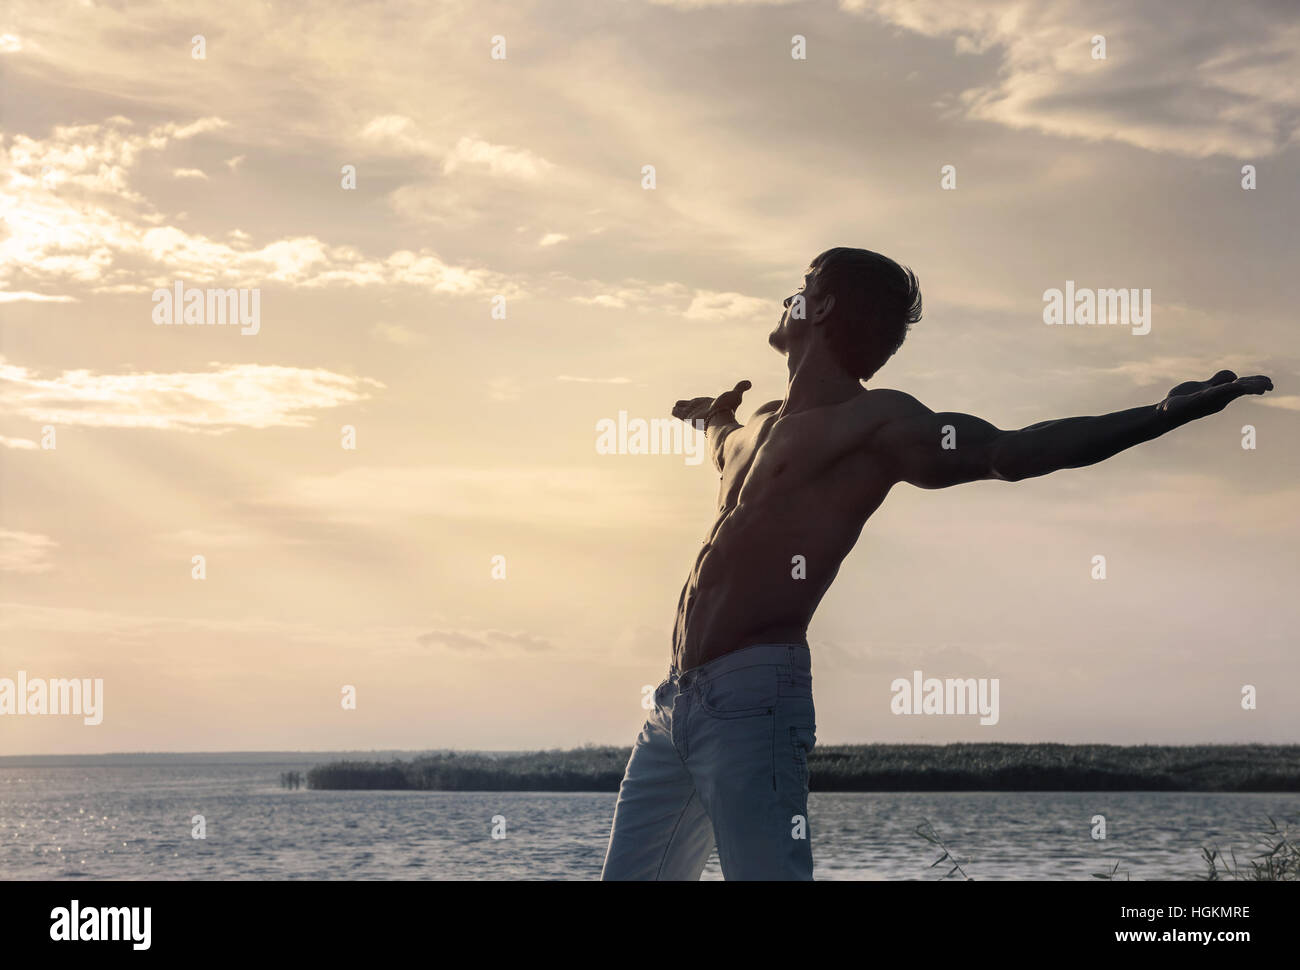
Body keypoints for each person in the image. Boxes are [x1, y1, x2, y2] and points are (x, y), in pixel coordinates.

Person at [599, 246, 1273, 880]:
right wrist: (709, 419)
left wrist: (1159, 414)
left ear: (824, 306)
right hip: (673, 704)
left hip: (751, 700)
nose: (789, 299)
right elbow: (724, 445)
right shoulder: (761, 426)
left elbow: (1010, 452)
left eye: (801, 288)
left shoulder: (875, 424)